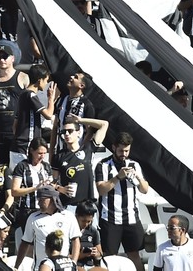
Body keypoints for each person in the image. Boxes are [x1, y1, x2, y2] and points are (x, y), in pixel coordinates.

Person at [95, 132, 150, 271]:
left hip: (131, 218)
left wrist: (138, 177)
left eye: (127, 150)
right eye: (121, 150)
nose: (124, 154)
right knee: (109, 256)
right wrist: (118, 177)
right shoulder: (103, 165)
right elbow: (101, 190)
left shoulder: (135, 165)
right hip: (110, 218)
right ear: (113, 147)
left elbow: (145, 190)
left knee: (134, 255)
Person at [17, 186, 79, 271]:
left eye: (41, 200)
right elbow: (25, 243)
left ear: (52, 199)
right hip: (40, 267)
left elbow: (76, 240)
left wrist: (74, 263)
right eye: (38, 200)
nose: (38, 203)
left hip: (63, 268)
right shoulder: (33, 218)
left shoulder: (68, 216)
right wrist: (16, 267)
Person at [53, 115, 109, 207]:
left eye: (70, 131)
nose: (66, 134)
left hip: (88, 205)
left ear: (78, 133)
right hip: (69, 206)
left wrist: (80, 120)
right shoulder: (59, 156)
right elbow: (53, 183)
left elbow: (104, 124)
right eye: (64, 132)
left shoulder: (88, 149)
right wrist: (61, 189)